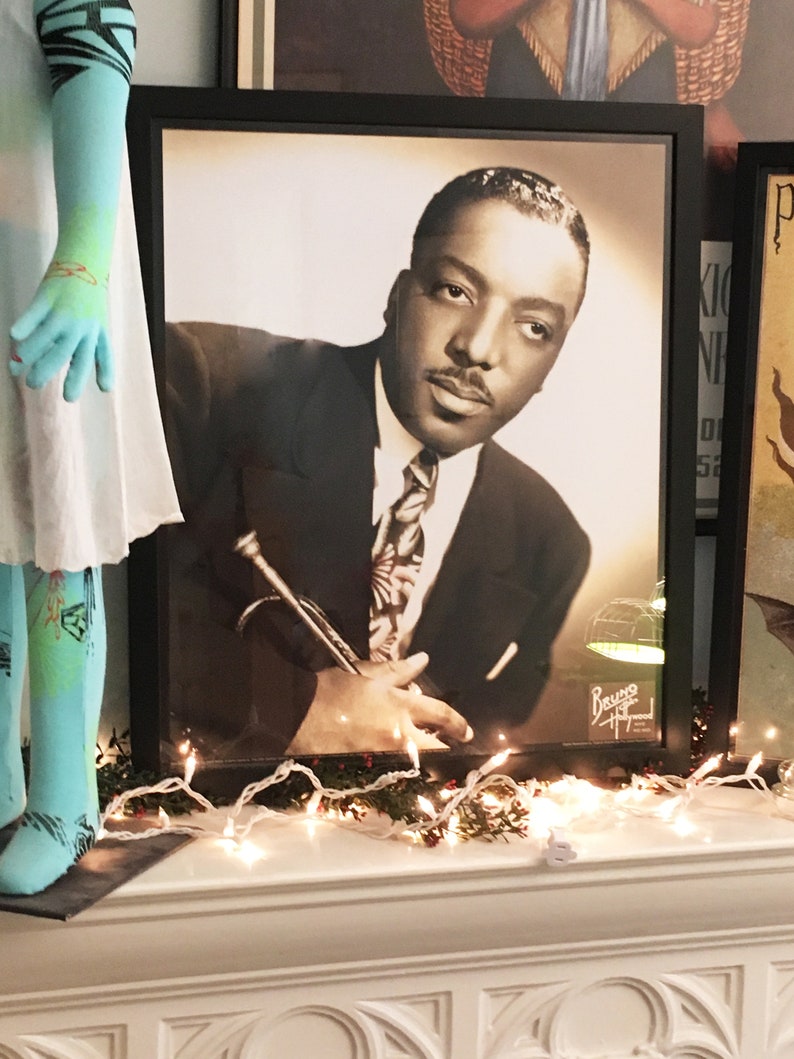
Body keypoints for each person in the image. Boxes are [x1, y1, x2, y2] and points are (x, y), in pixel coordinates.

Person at [165, 166, 591, 762]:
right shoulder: (209, 383)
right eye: (455, 291)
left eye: (534, 327)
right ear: (396, 298)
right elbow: (118, 621)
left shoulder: (554, 544)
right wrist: (299, 709)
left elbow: (485, 739)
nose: (479, 349)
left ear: (552, 364)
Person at [0, 0, 181, 895]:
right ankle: (0, 773)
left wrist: (79, 259)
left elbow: (96, 54)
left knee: (56, 528)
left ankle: (65, 797)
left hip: (42, 249)